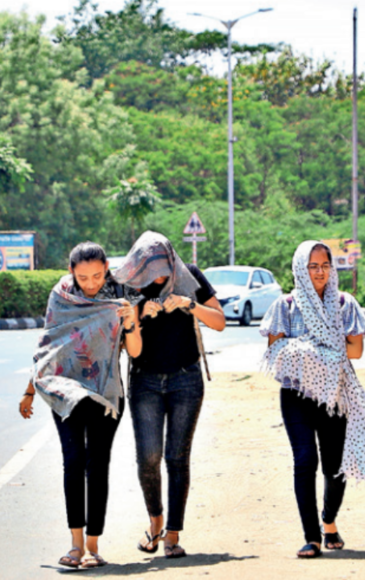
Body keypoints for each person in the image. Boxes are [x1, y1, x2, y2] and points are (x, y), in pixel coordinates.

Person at [260, 241, 365, 559]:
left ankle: (328, 520)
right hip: (296, 394)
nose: (319, 272)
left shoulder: (345, 305)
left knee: (333, 467)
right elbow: (276, 352)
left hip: (335, 394)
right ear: (300, 269)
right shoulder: (285, 306)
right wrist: (323, 351)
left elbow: (356, 350)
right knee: (305, 461)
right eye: (313, 266)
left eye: (324, 266)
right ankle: (311, 537)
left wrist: (309, 351)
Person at [19, 242, 142, 569]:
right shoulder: (60, 296)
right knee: (73, 461)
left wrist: (131, 321)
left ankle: (92, 546)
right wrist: (29, 390)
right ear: (71, 271)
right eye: (84, 277)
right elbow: (50, 344)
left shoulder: (119, 295)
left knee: (96, 465)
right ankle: (74, 545)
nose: (91, 283)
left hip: (105, 392)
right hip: (66, 390)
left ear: (106, 269)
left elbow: (136, 351)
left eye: (97, 275)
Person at [113, 232, 226, 559]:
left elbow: (219, 322)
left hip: (186, 379)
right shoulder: (129, 286)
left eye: (165, 269)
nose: (160, 277)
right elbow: (121, 343)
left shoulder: (189, 275)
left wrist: (190, 304)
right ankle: (155, 522)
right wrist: (140, 316)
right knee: (148, 457)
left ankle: (173, 534)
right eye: (154, 271)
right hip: (145, 381)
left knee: (177, 457)